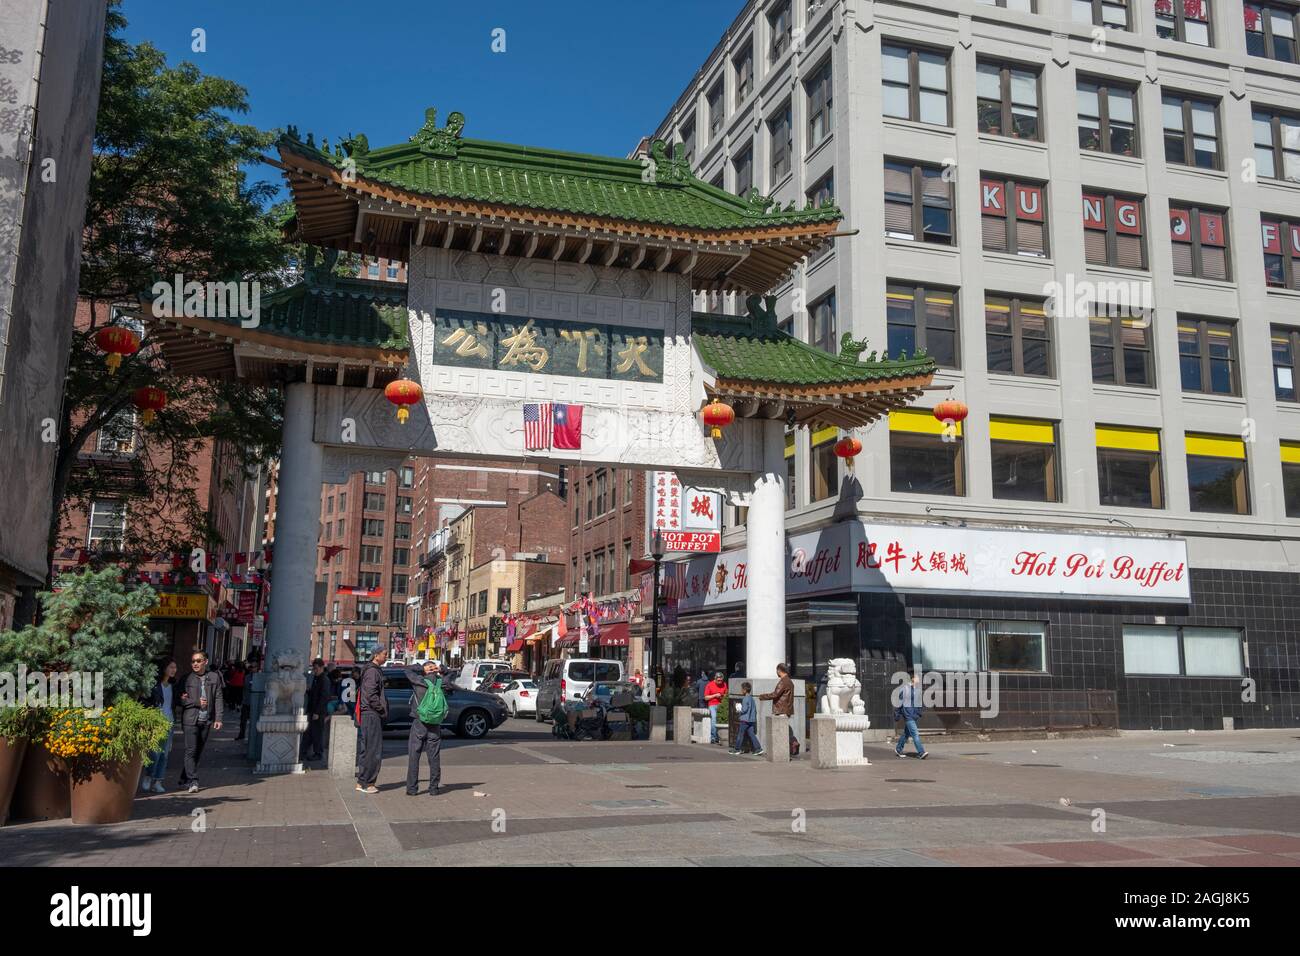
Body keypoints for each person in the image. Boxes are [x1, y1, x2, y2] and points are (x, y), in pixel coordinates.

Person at [177, 650, 224, 793]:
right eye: (193, 661)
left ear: (205, 662)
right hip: (190, 720)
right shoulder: (187, 679)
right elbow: (180, 699)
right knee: (191, 750)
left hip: (206, 720)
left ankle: (184, 778)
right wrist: (196, 702)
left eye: (198, 661)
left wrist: (219, 718)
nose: (195, 664)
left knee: (198, 751)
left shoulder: (214, 677)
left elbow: (218, 697)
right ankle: (193, 781)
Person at [405, 659, 445, 796]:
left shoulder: (419, 681)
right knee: (434, 756)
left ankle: (412, 788)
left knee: (414, 755)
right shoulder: (441, 682)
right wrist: (441, 670)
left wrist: (422, 669)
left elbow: (408, 670)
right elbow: (451, 674)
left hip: (419, 721)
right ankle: (434, 788)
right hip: (435, 723)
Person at [355, 648, 388, 793]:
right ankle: (368, 784)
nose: (386, 656)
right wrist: (380, 709)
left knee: (367, 748)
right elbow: (371, 694)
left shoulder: (370, 670)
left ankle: (362, 781)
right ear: (376, 655)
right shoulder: (373, 672)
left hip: (368, 713)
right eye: (385, 654)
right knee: (373, 750)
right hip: (371, 714)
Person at [142, 659, 178, 793]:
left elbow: (178, 701)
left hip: (170, 722)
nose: (174, 670)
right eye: (171, 667)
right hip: (157, 723)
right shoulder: (155, 686)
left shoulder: (174, 686)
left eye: (175, 667)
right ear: (164, 668)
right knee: (154, 753)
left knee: (164, 754)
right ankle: (148, 776)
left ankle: (158, 781)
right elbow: (146, 701)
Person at [758, 662, 797, 757]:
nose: (776, 672)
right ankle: (788, 747)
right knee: (782, 732)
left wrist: (762, 696)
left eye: (777, 670)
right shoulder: (790, 681)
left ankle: (781, 752)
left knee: (780, 733)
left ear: (779, 670)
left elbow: (775, 694)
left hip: (781, 710)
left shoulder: (783, 681)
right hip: (786, 709)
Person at [304, 658, 332, 761]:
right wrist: (309, 691)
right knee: (311, 732)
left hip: (318, 712)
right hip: (314, 710)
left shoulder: (324, 680)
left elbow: (324, 697)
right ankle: (307, 751)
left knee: (316, 733)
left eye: (316, 668)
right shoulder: (318, 679)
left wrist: (317, 712)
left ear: (321, 668)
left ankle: (318, 753)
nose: (314, 671)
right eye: (313, 669)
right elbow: (317, 695)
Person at [894, 673, 927, 759]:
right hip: (908, 715)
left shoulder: (916, 689)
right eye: (917, 678)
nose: (919, 680)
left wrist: (919, 712)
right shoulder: (905, 689)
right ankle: (921, 752)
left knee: (906, 734)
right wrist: (897, 714)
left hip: (914, 715)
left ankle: (898, 749)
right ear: (912, 679)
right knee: (915, 734)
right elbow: (899, 703)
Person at [729, 681, 763, 756]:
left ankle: (737, 749)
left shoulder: (745, 699)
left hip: (745, 720)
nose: (741, 691)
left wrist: (738, 709)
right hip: (751, 720)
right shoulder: (751, 698)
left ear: (744, 690)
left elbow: (744, 709)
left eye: (741, 689)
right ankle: (758, 749)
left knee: (740, 734)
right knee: (751, 734)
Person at [234, 659, 260, 741]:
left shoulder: (259, 677)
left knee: (254, 721)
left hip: (255, 703)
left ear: (257, 668)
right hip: (246, 701)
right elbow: (244, 688)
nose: (252, 669)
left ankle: (254, 736)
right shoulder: (247, 677)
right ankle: (241, 734)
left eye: (254, 667)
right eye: (251, 667)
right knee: (243, 720)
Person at [704, 671, 727, 746]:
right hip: (712, 704)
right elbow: (706, 698)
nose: (720, 682)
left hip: (721, 704)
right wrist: (715, 695)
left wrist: (722, 696)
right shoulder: (709, 685)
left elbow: (726, 695)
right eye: (718, 680)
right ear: (715, 679)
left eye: (721, 680)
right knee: (714, 718)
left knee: (722, 719)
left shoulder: (724, 684)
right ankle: (713, 737)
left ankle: (719, 737)